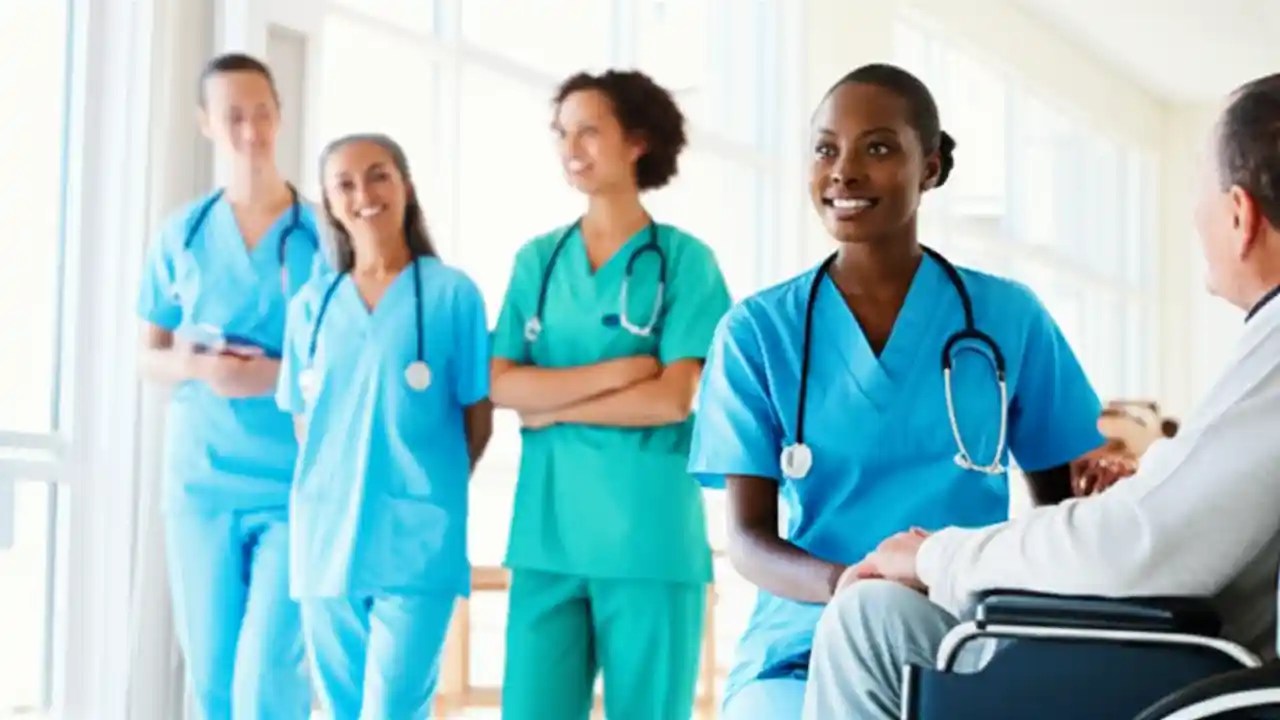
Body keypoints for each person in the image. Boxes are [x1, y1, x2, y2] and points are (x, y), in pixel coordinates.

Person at [801, 71, 1280, 719]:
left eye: (1197, 189)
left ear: (1239, 215)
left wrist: (935, 554)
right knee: (876, 611)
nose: (846, 171)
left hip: (1194, 679)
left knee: (869, 621)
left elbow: (1140, 539)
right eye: (826, 148)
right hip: (1189, 654)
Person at [686, 63, 1132, 719]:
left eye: (879, 147)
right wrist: (846, 584)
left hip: (963, 638)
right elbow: (749, 539)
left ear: (933, 165)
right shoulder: (757, 332)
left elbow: (1056, 510)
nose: (844, 171)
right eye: (826, 148)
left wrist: (1105, 498)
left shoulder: (1008, 319)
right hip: (801, 648)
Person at [490, 69, 733, 720]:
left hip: (646, 540)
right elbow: (501, 383)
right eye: (562, 132)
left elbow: (671, 399)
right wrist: (620, 371)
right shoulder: (537, 262)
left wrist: (549, 405)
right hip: (547, 538)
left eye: (590, 130)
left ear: (637, 142)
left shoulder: (686, 262)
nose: (572, 146)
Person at [275, 133, 493, 719]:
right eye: (344, 184)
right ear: (328, 200)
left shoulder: (453, 295)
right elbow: (307, 428)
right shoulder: (311, 306)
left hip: (417, 541)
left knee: (392, 710)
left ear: (405, 185)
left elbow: (478, 418)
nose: (364, 194)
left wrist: (429, 488)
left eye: (378, 176)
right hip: (326, 542)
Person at [135, 53, 318, 719]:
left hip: (294, 482)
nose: (251, 130)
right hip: (201, 481)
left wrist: (273, 375)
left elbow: (350, 364)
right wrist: (200, 367)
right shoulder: (180, 233)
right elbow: (149, 356)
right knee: (213, 683)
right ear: (206, 124)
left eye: (262, 113)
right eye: (233, 115)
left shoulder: (323, 235)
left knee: (268, 675)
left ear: (280, 115)